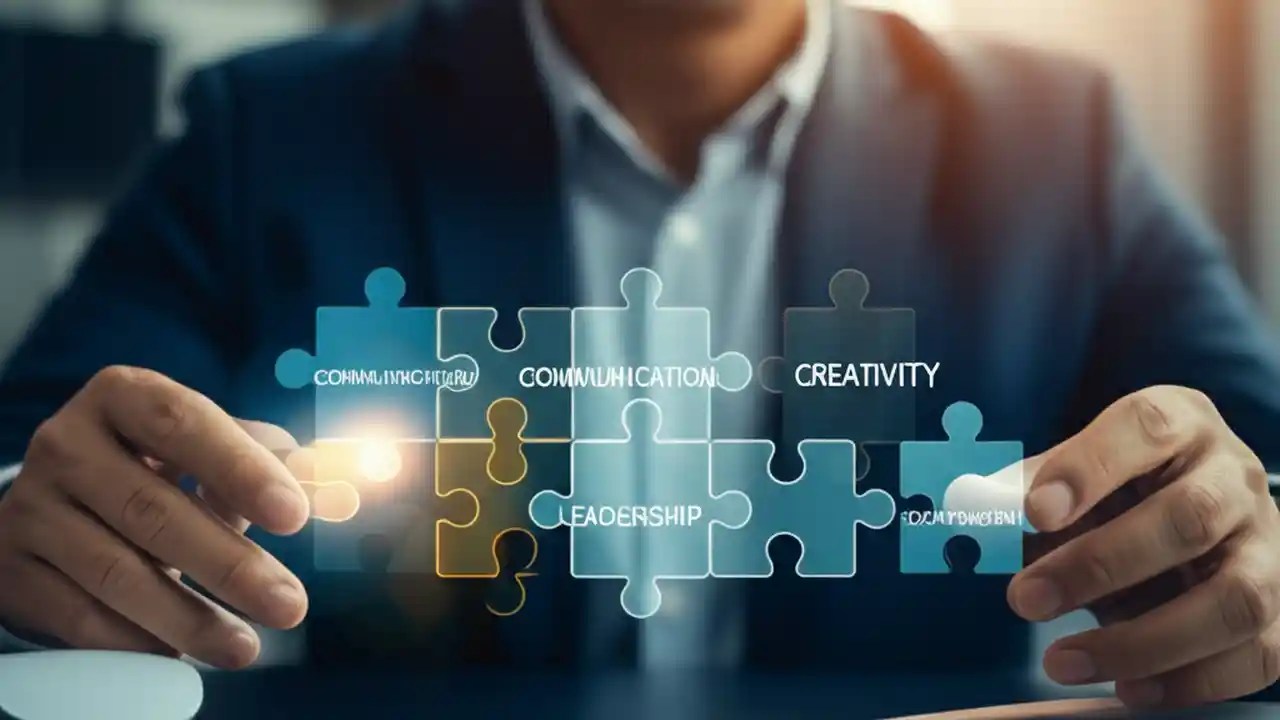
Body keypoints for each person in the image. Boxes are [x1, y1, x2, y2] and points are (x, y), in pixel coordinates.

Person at [1, 0, 1279, 711]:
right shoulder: (269, 126)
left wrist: (1251, 550)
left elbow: (1254, 478)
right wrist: (26, 535)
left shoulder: (1058, 137)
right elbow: (51, 457)